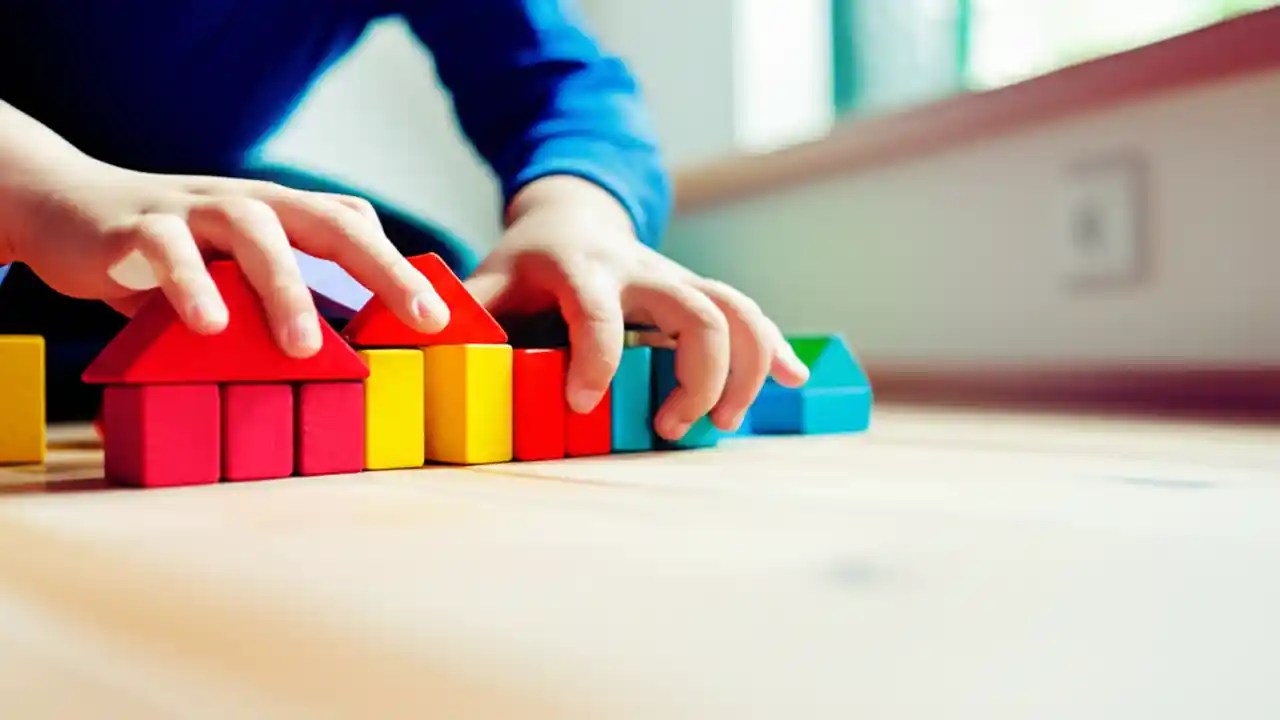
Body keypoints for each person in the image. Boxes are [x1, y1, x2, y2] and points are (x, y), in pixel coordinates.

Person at [0, 1, 808, 438]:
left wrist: (579, 213)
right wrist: (43, 191)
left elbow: (559, 81)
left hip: (173, 223)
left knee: (421, 277)